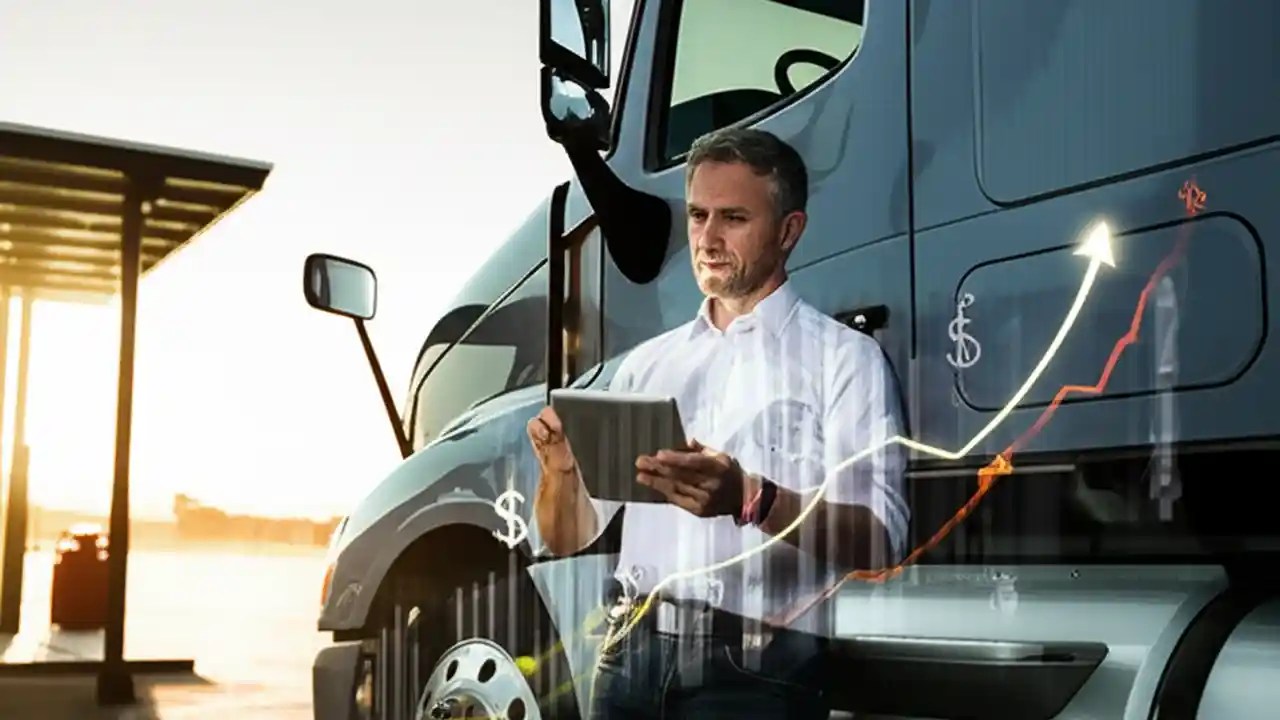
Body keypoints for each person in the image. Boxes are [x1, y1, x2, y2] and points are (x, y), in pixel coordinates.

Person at [527, 126, 909, 719]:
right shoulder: (648, 365)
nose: (708, 237)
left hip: (757, 669)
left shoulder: (844, 359)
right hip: (627, 654)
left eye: (733, 217)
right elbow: (568, 535)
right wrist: (559, 476)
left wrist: (750, 498)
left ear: (789, 231)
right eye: (699, 215)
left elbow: (882, 541)